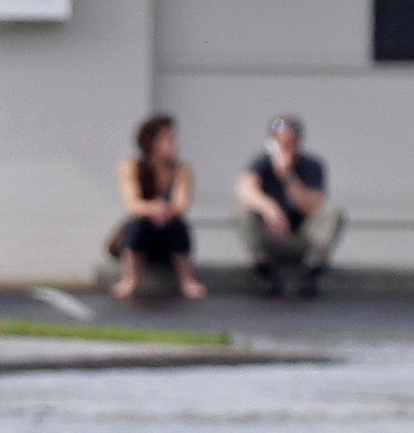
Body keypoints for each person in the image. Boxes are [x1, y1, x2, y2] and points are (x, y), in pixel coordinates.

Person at [233, 114, 344, 299]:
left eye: (291, 141)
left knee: (333, 211)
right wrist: (270, 209)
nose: (286, 146)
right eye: (281, 141)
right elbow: (244, 188)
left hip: (303, 236)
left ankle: (312, 271)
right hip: (272, 234)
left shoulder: (312, 165)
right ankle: (265, 269)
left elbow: (313, 204)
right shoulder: (262, 163)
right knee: (242, 211)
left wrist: (287, 176)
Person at [110, 114, 208, 302]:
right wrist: (153, 208)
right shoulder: (131, 166)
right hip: (143, 234)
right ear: (152, 142)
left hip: (168, 235)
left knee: (177, 224)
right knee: (139, 224)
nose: (175, 144)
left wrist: (165, 210)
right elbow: (132, 203)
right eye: (169, 139)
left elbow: (181, 203)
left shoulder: (181, 169)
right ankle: (130, 279)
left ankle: (187, 280)